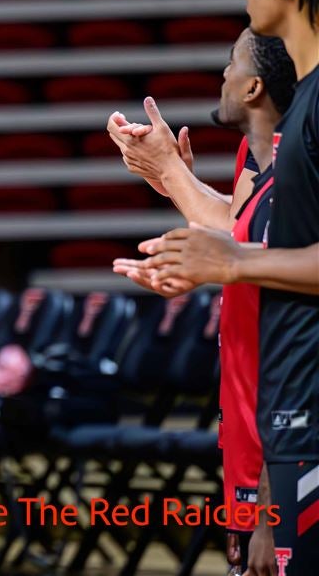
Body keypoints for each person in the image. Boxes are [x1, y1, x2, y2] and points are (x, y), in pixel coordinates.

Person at [132, 0, 318, 576]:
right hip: (275, 437)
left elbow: (258, 261)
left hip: (297, 441)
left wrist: (232, 261)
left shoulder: (313, 111)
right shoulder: (287, 135)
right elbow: (252, 243)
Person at [110, 29, 295, 572]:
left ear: (256, 85)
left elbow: (254, 252)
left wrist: (170, 171)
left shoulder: (301, 156)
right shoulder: (257, 151)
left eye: (232, 61)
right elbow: (241, 229)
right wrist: (174, 180)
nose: (223, 73)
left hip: (280, 446)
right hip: (245, 433)